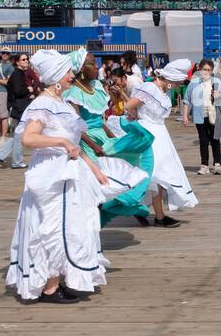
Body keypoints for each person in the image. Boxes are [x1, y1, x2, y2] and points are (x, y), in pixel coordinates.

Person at [7, 50, 143, 303]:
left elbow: (76, 141)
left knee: (72, 226)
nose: (72, 75)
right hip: (51, 173)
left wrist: (95, 168)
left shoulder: (62, 103)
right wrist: (60, 141)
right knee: (51, 226)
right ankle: (48, 286)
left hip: (70, 169)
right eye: (68, 72)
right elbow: (28, 138)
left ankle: (63, 277)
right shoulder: (42, 104)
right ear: (57, 76)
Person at [63, 47, 154, 226]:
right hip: (86, 140)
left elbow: (99, 118)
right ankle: (98, 220)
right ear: (80, 69)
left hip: (102, 137)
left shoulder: (96, 87)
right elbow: (75, 125)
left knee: (142, 153)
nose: (96, 67)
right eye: (91, 64)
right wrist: (94, 146)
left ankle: (122, 202)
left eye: (95, 63)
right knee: (101, 181)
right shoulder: (73, 92)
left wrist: (112, 136)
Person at [126, 58, 198, 224]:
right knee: (156, 174)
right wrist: (140, 121)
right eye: (179, 82)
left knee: (158, 175)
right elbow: (129, 106)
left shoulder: (164, 90)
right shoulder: (150, 88)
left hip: (160, 135)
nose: (180, 85)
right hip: (149, 134)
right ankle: (156, 215)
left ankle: (143, 209)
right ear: (171, 79)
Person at [182, 59, 221, 175]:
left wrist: (218, 96)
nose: (206, 72)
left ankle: (217, 164)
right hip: (200, 115)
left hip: (214, 114)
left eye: (209, 70)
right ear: (200, 70)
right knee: (203, 140)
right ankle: (204, 165)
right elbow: (186, 100)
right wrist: (185, 116)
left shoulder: (217, 82)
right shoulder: (194, 83)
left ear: (212, 71)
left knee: (215, 139)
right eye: (204, 69)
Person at [0, 49, 14, 142]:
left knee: (3, 115)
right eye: (3, 53)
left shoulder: (10, 67)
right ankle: (1, 135)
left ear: (9, 55)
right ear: (1, 54)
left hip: (3, 91)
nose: (5, 55)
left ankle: (4, 137)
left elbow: (9, 82)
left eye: (7, 53)